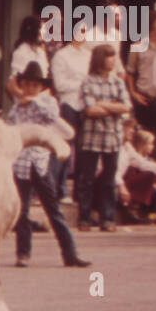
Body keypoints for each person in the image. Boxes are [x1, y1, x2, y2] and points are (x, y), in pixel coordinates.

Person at [5, 61, 89, 269]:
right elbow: (9, 130)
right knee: (22, 211)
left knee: (53, 209)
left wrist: (33, 100)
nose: (30, 88)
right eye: (27, 85)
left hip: (40, 161)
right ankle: (23, 253)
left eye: (35, 85)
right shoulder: (16, 109)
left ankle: (70, 253)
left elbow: (53, 116)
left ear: (41, 87)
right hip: (21, 163)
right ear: (22, 85)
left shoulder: (48, 102)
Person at [75, 44, 131, 232]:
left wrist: (103, 105)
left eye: (114, 57)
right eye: (109, 57)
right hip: (92, 136)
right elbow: (90, 109)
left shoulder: (117, 82)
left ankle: (108, 218)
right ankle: (84, 217)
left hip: (112, 137)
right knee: (87, 179)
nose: (113, 61)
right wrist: (113, 107)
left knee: (109, 180)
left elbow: (126, 107)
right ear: (100, 59)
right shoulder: (88, 81)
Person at [49, 19, 93, 201]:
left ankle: (78, 192)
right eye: (79, 31)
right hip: (68, 104)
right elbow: (60, 85)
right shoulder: (61, 55)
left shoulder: (88, 54)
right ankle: (59, 190)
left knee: (84, 150)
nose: (83, 35)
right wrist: (82, 84)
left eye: (85, 31)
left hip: (87, 105)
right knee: (65, 147)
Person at [125, 8, 156, 155]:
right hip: (144, 97)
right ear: (151, 24)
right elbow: (130, 72)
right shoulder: (138, 44)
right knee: (143, 139)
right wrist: (133, 93)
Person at [117, 128, 156, 223]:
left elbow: (147, 165)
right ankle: (133, 210)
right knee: (149, 176)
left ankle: (148, 212)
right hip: (123, 187)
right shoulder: (128, 155)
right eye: (150, 144)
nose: (152, 147)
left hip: (133, 188)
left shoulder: (131, 150)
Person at [6, 16, 49, 103]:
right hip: (26, 101)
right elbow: (13, 84)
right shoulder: (21, 52)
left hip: (42, 100)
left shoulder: (41, 52)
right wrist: (27, 99)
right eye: (41, 29)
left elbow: (44, 79)